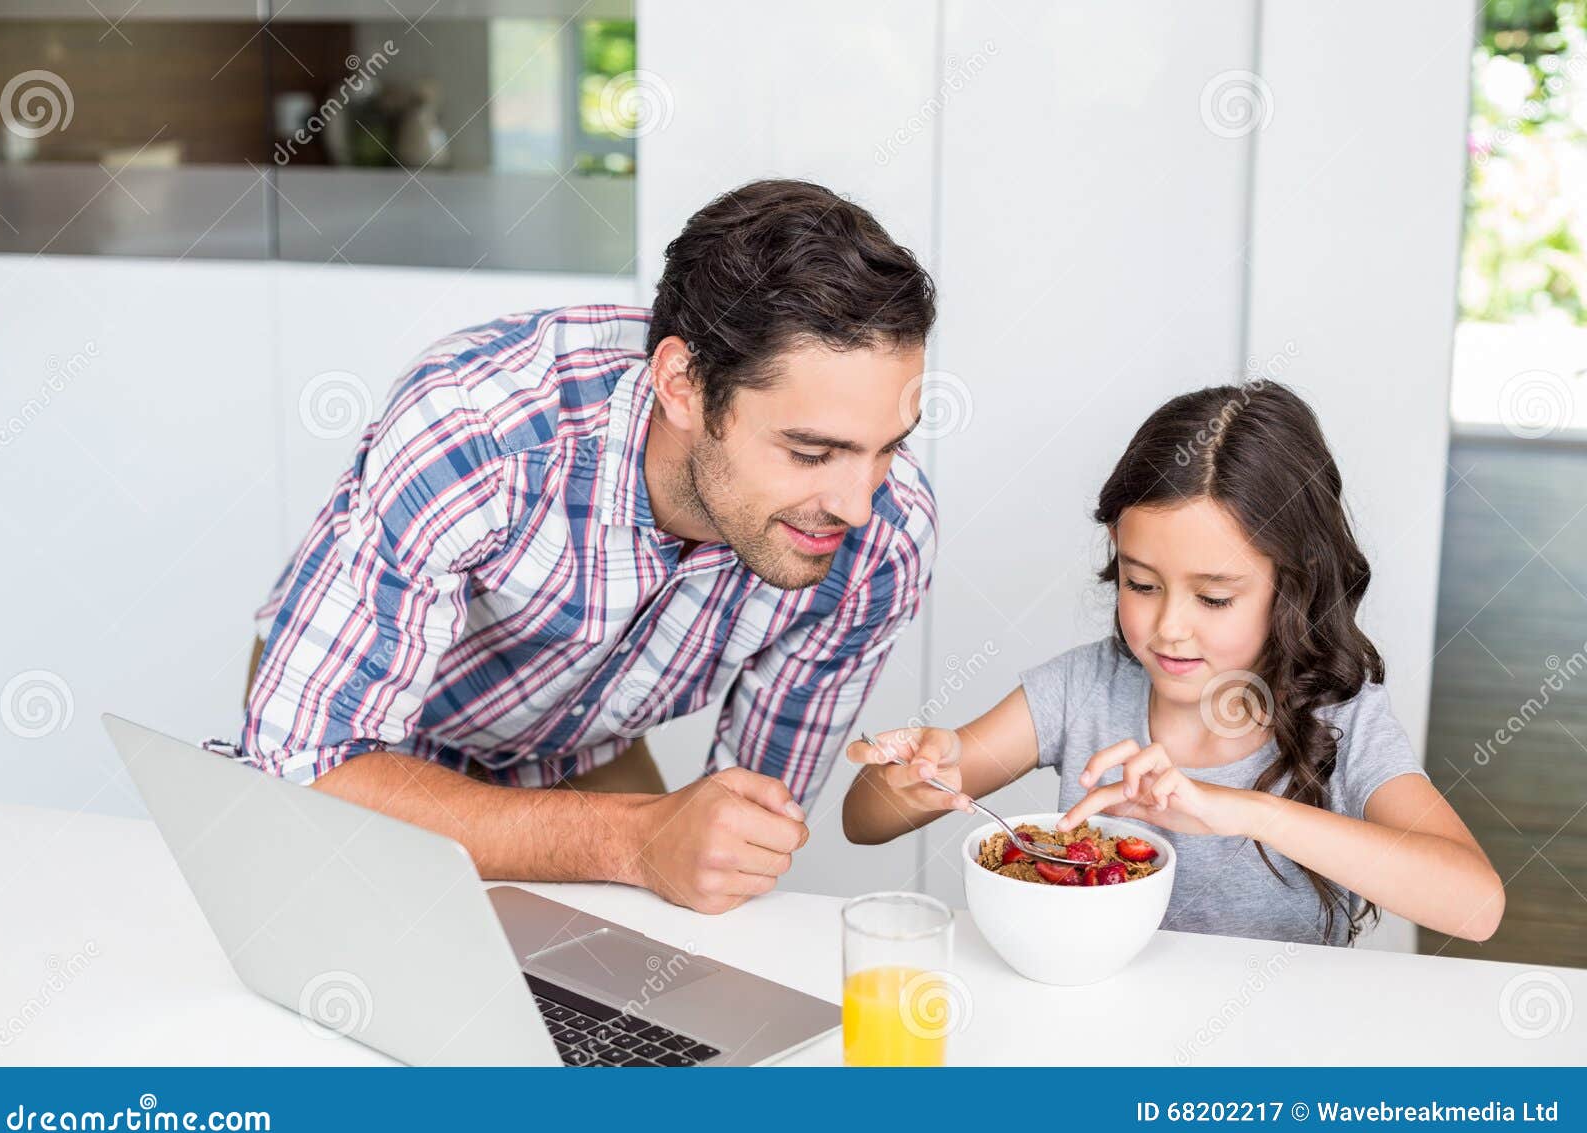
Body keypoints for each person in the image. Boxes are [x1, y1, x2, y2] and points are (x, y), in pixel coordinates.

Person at [242, 179, 939, 915]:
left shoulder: (884, 542)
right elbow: (308, 770)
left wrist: (681, 842)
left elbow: (748, 825)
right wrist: (632, 841)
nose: (857, 505)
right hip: (371, 737)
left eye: (886, 449)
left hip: (579, 749)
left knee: (638, 975)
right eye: (809, 452)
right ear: (681, 383)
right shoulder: (479, 430)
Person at [843, 381, 1504, 946]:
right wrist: (916, 775)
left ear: (1292, 584)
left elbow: (1476, 905)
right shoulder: (1082, 692)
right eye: (1142, 584)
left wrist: (1240, 810)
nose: (1168, 628)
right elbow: (863, 821)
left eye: (1215, 596)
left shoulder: (1341, 721)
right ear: (1116, 549)